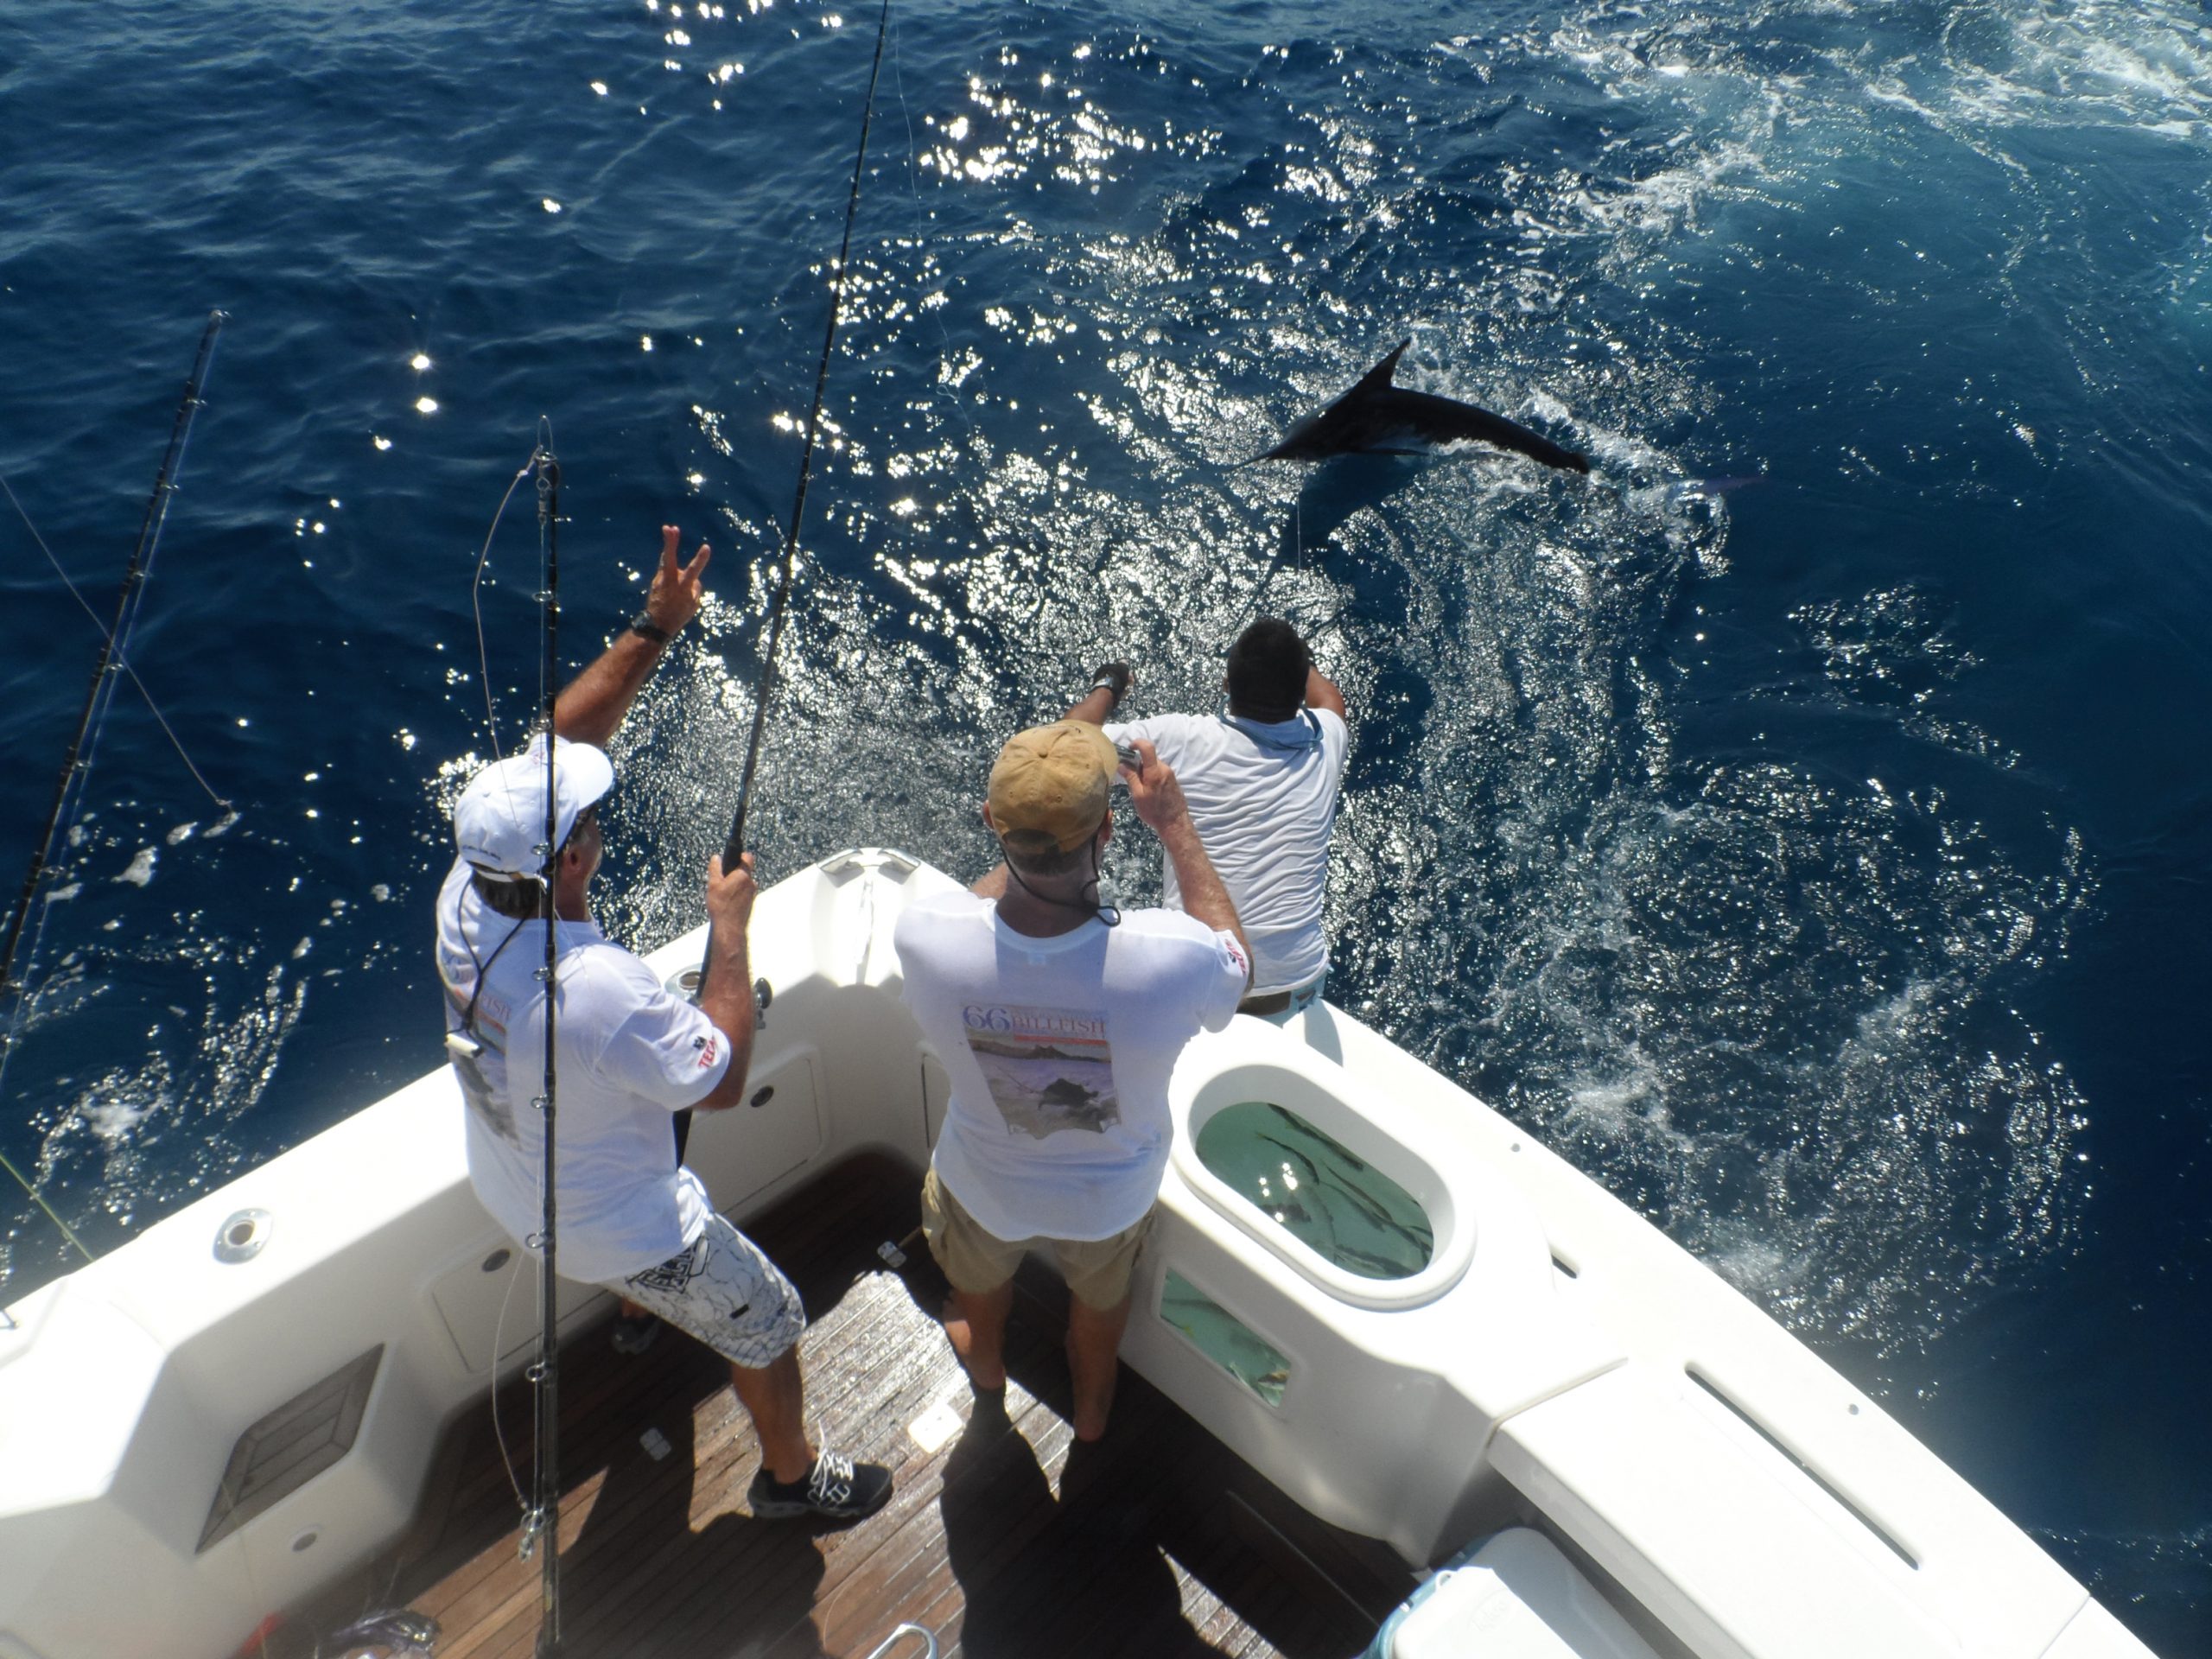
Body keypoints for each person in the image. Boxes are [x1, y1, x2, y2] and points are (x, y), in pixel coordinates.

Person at [433, 524, 891, 1523]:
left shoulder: (468, 891)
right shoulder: (597, 991)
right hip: (618, 1225)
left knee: (643, 1120)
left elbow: (563, 740)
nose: (596, 816)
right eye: (586, 821)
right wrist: (729, 929)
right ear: (568, 861)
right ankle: (789, 1482)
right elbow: (717, 1079)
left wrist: (657, 625)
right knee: (768, 1318)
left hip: (516, 1178)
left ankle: (638, 1316)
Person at [894, 721, 1253, 1440]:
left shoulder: (925, 933)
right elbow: (1237, 967)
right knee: (1099, 1310)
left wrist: (1027, 836)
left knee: (977, 1294)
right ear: (1110, 830)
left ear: (991, 823)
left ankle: (987, 1371)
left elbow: (978, 910)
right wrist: (1175, 824)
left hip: (983, 1185)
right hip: (1108, 1202)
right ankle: (1089, 1418)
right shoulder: (1173, 956)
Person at [1072, 620, 1348, 1022]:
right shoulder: (1328, 737)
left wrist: (1108, 684)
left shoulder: (1177, 740)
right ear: (1300, 691)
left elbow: (1067, 741)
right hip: (1298, 987)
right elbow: (1330, 698)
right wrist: (1297, 660)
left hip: (1201, 985)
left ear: (1226, 685)